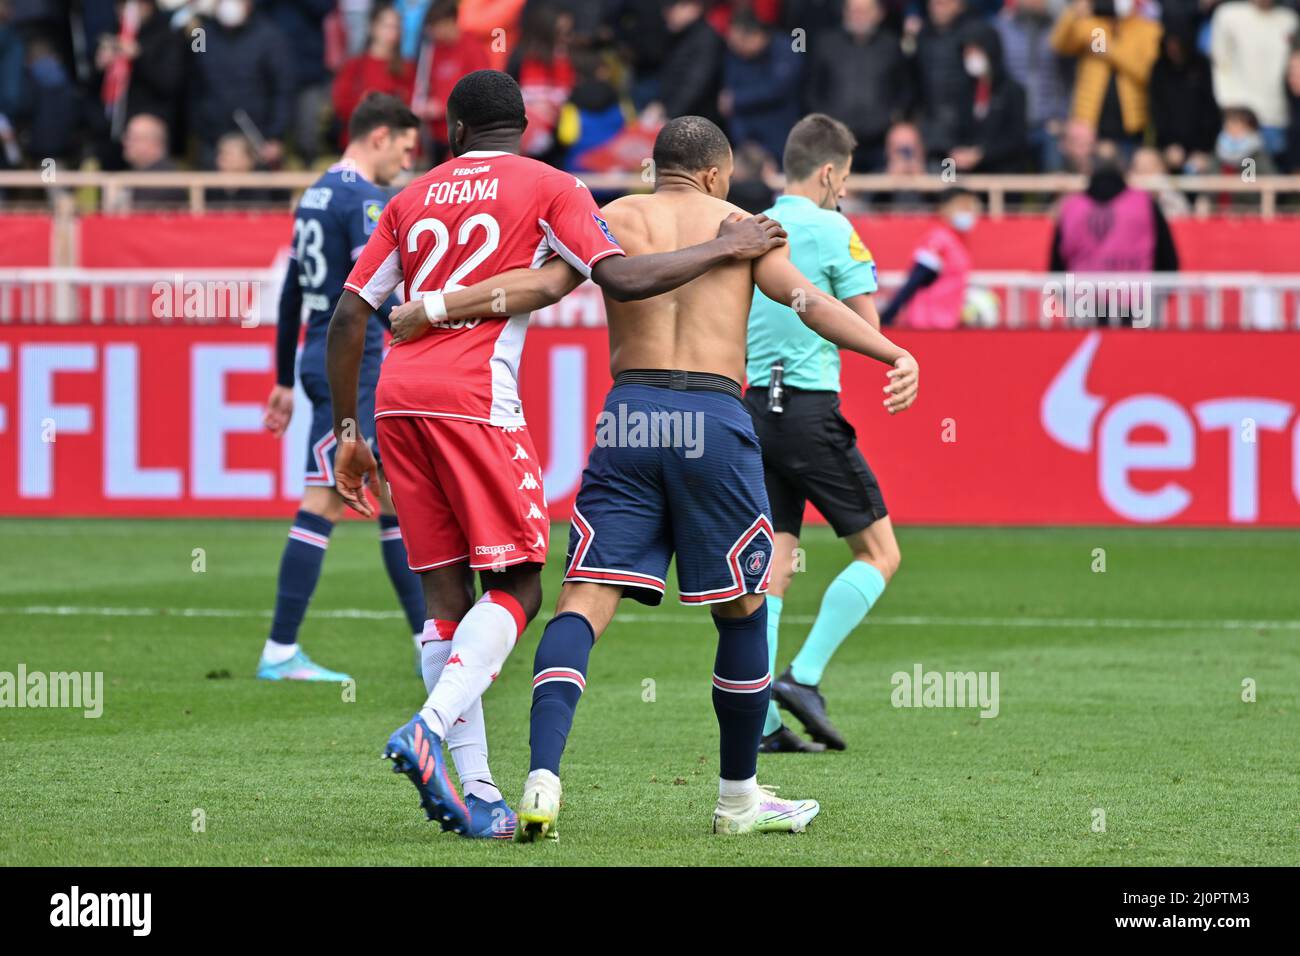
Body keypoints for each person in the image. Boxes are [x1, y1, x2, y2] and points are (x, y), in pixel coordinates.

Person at [390, 116, 920, 840]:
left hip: (630, 417)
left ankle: (541, 780)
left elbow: (538, 287)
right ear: (712, 173)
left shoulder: (611, 217)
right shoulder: (741, 225)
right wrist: (890, 352)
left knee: (582, 601)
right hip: (712, 417)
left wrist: (437, 306)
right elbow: (811, 304)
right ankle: (738, 801)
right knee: (740, 610)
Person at [326, 70, 789, 838]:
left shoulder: (410, 196)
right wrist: (726, 244)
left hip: (396, 400)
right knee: (518, 584)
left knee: (447, 606)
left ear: (454, 132)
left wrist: (346, 434)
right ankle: (430, 727)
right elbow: (620, 278)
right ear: (525, 128)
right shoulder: (553, 185)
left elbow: (349, 316)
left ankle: (477, 792)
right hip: (475, 397)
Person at [741, 113, 899, 754]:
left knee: (774, 567)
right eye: (846, 177)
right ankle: (802, 680)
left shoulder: (750, 228)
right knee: (880, 553)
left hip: (754, 412)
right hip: (808, 413)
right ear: (831, 171)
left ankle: (767, 724)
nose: (844, 190)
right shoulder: (836, 228)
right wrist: (898, 359)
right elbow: (867, 322)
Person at [257, 96, 423, 690]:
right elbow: (374, 294)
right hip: (353, 367)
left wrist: (282, 377)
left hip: (323, 359)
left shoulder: (316, 193)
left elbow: (289, 296)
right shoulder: (362, 201)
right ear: (380, 136)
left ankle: (427, 642)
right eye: (404, 148)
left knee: (395, 499)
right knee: (327, 499)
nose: (405, 162)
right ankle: (280, 649)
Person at [1049, 150, 1179, 325]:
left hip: (1084, 308)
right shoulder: (1145, 204)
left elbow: (1056, 265)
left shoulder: (1070, 207)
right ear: (1124, 172)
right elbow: (1168, 259)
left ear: (1090, 172)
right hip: (1137, 310)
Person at [1050, 0, 1162, 159]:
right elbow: (1060, 44)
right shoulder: (1096, 26)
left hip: (1131, 124)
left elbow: (1147, 71)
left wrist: (1112, 52)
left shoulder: (1146, 29)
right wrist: (1074, 12)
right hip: (1092, 124)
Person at [1209, 0, 1299, 163]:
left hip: (1278, 119)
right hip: (1242, 119)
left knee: (1272, 177)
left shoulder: (1289, 20)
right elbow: (1220, 64)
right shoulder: (1228, 15)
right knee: (1247, 178)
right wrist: (1230, 108)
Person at [880, 186, 980, 328]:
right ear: (944, 209)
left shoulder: (958, 243)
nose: (969, 213)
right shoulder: (938, 241)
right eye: (963, 207)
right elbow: (915, 280)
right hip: (927, 323)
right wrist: (888, 316)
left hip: (947, 323)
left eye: (971, 208)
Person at [332, 2, 415, 148]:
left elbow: (412, 106)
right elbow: (341, 104)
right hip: (360, 143)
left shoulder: (406, 67)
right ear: (373, 27)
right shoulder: (355, 65)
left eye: (396, 27)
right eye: (386, 26)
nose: (392, 32)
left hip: (394, 145)